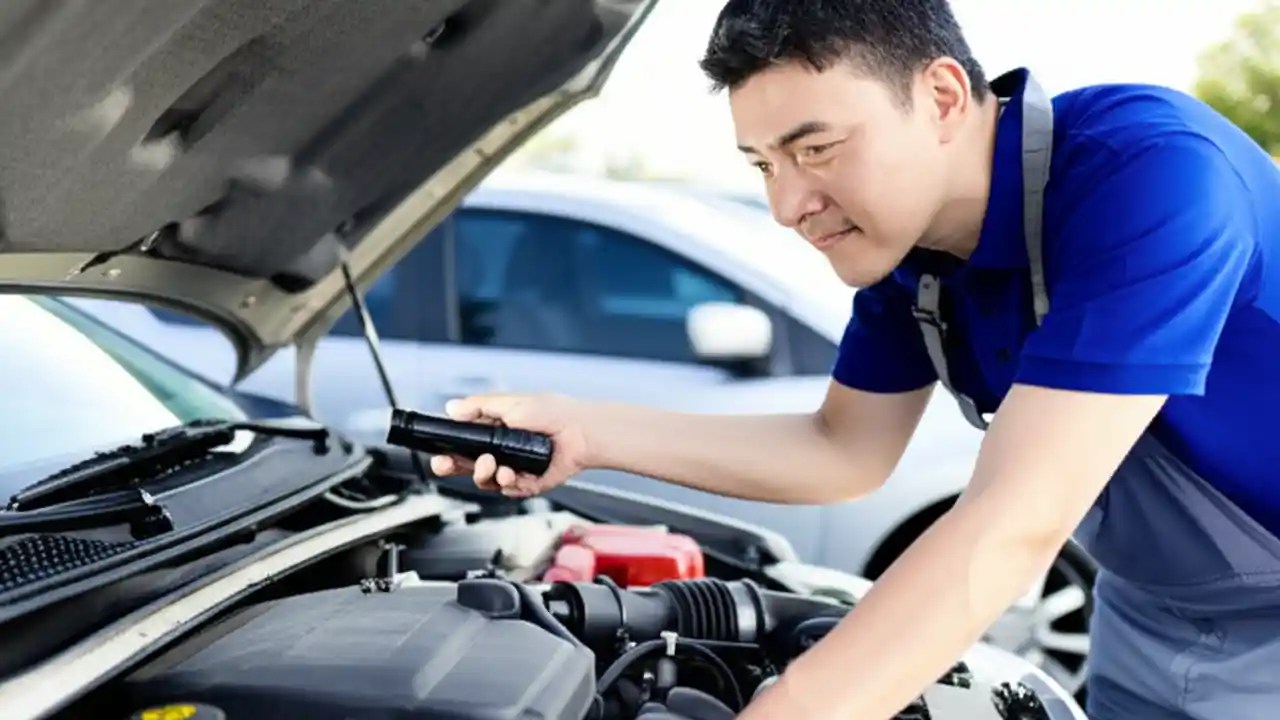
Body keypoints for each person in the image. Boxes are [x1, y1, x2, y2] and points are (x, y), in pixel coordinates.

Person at [430, 1, 1280, 717]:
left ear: (943, 95)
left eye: (817, 149)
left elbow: (1012, 525)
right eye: (764, 164)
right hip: (1148, 612)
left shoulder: (1153, 179)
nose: (787, 204)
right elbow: (843, 448)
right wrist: (584, 429)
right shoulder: (914, 257)